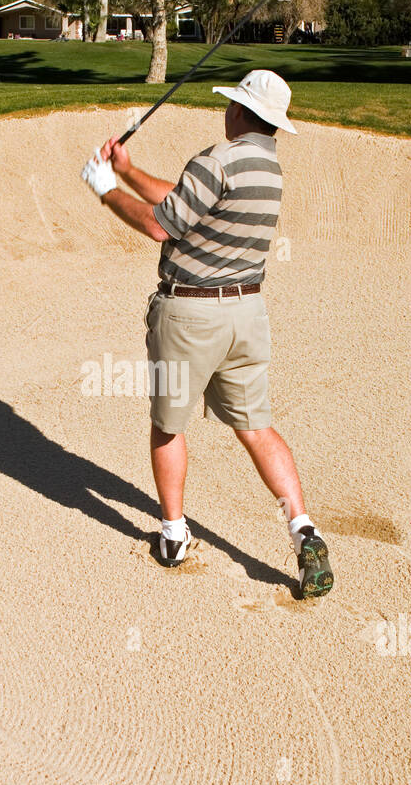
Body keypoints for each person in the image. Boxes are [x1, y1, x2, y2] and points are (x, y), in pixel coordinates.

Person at [93, 69, 333, 598]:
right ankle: (303, 530)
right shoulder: (268, 169)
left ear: (242, 112)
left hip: (190, 314)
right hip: (246, 315)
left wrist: (107, 191)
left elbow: (162, 223)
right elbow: (183, 203)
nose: (224, 111)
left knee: (169, 424)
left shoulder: (215, 159)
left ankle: (174, 536)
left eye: (230, 104)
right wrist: (130, 171)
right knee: (256, 428)